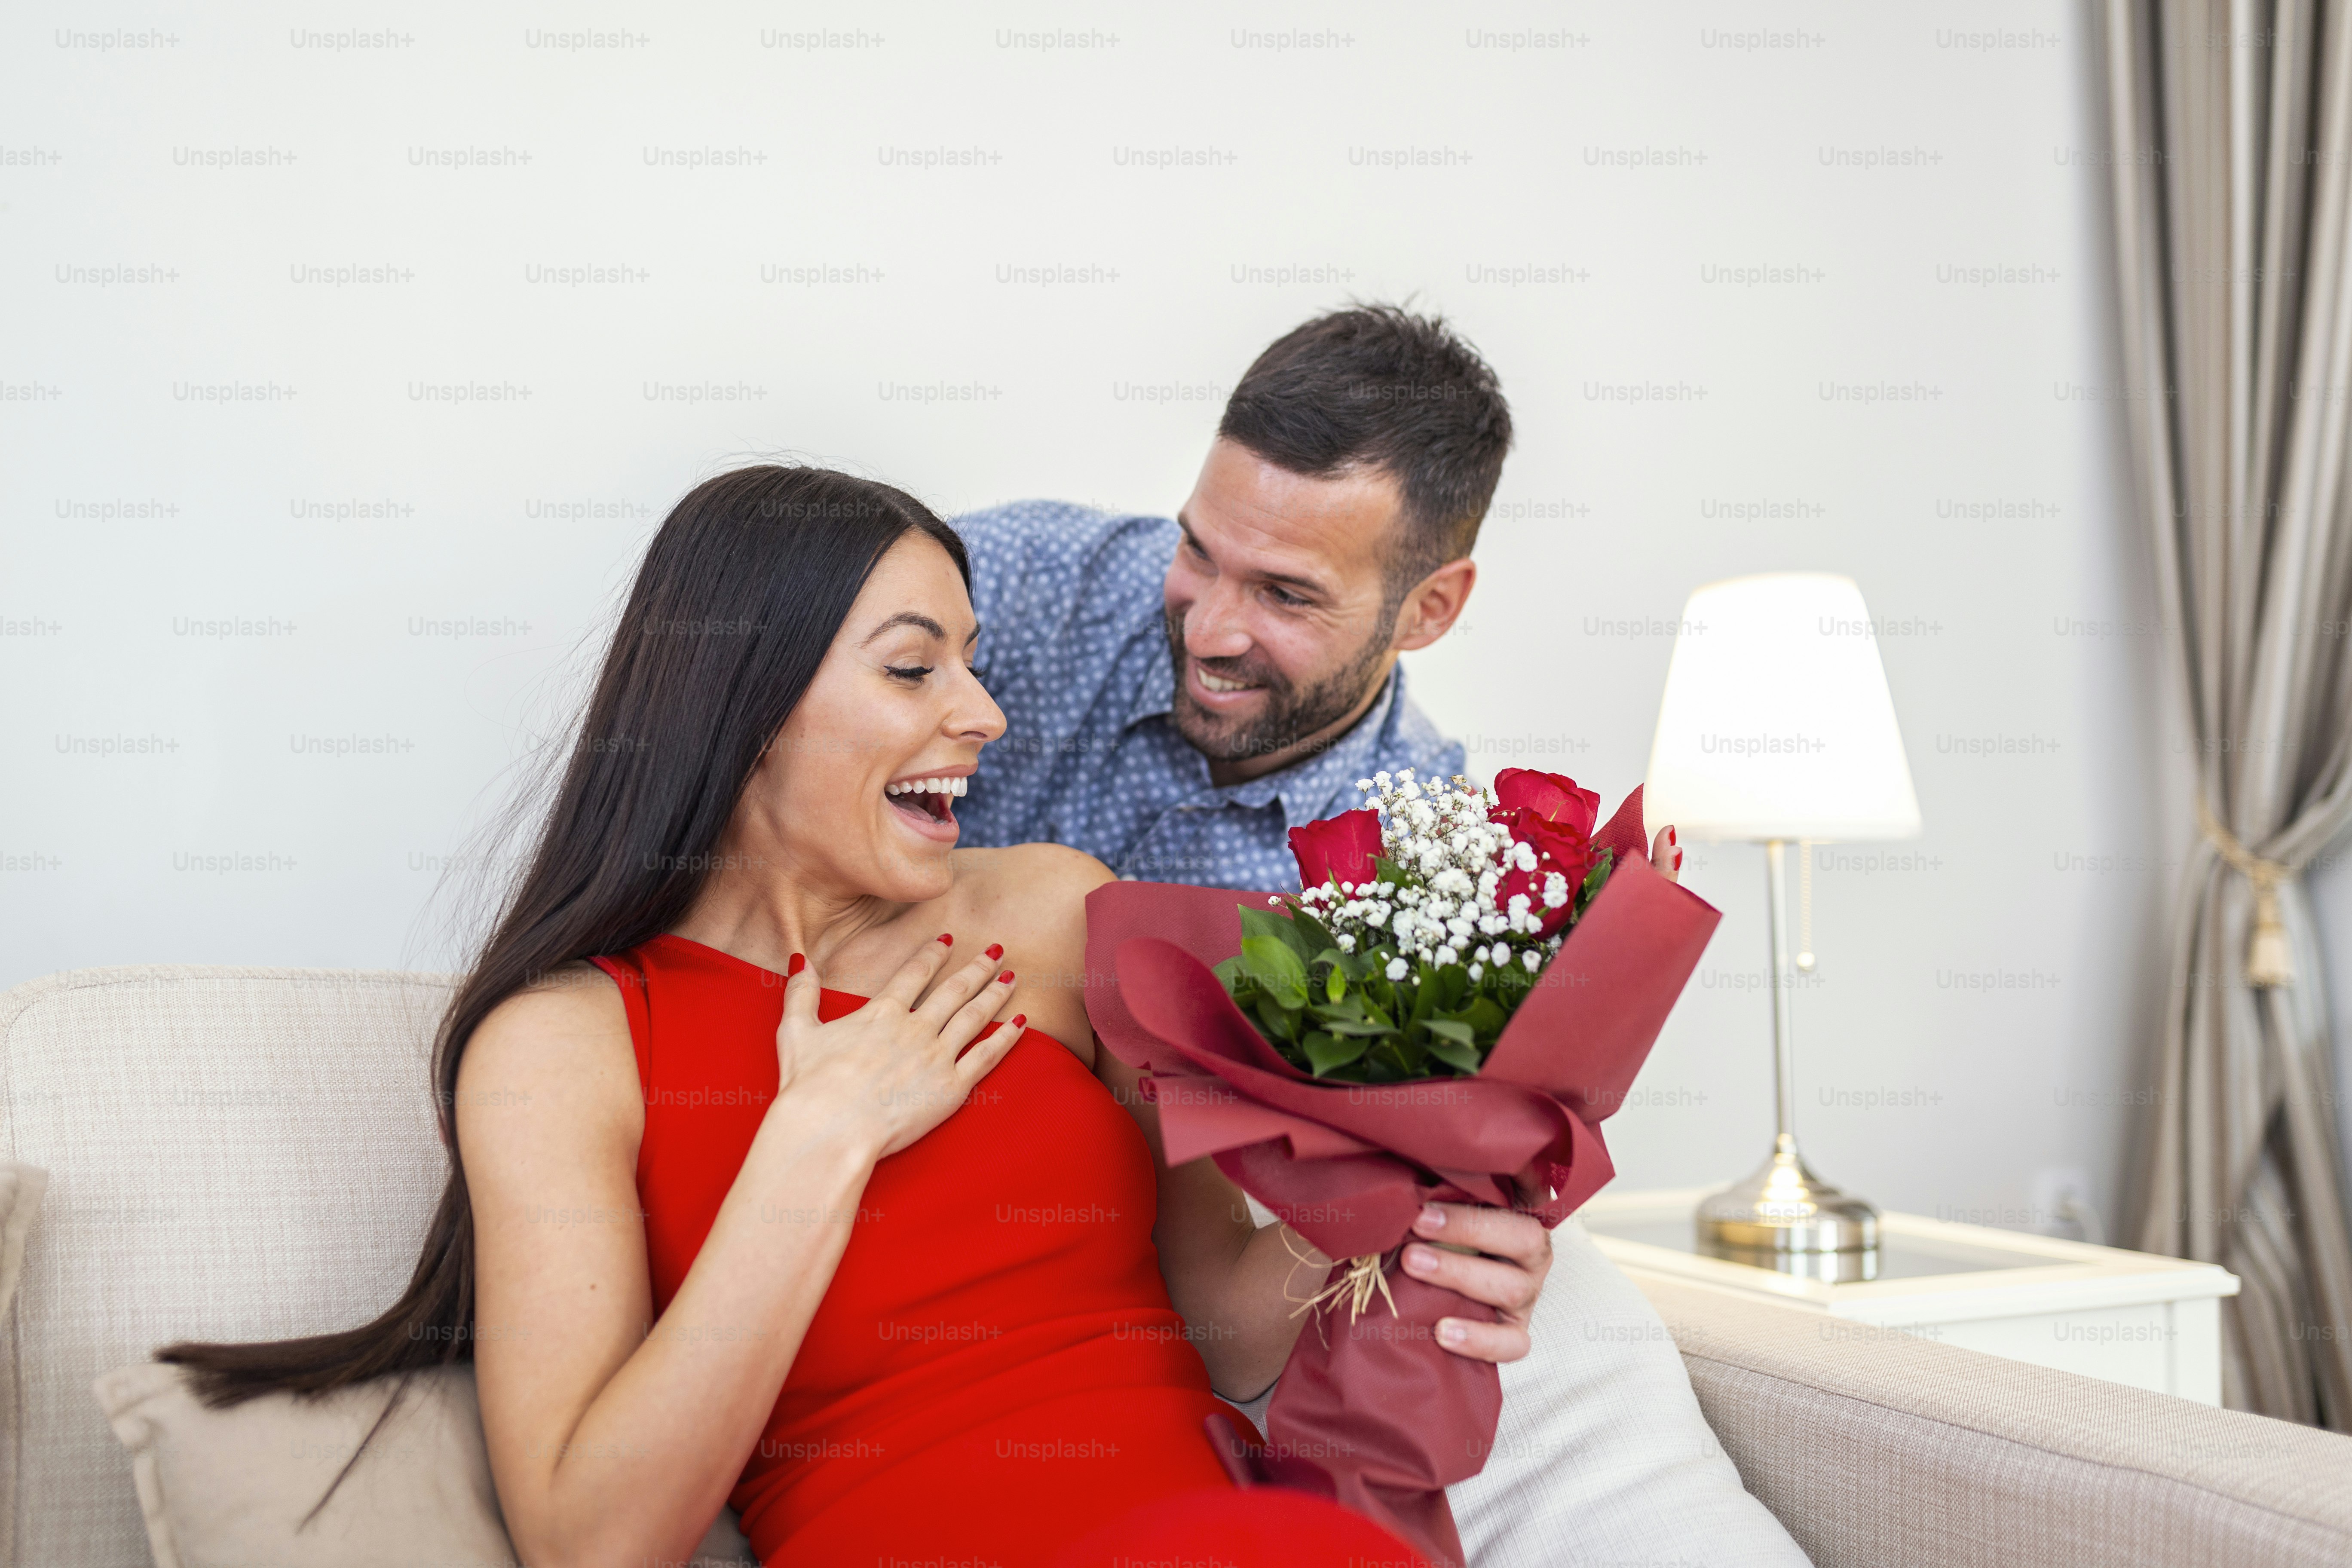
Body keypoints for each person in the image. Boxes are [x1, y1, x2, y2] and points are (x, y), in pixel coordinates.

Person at [158, 466, 1555, 1568]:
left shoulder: (1063, 914)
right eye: (912, 668)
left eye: (973, 661)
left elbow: (1230, 1326)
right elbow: (593, 1539)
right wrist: (818, 1136)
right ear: (747, 706)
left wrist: (1413, 1212)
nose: (985, 713)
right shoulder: (564, 1044)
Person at [955, 303, 1681, 889]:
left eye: (1285, 595)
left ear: (1429, 611)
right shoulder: (1021, 578)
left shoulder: (1426, 868)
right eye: (1199, 551)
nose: (1206, 633)